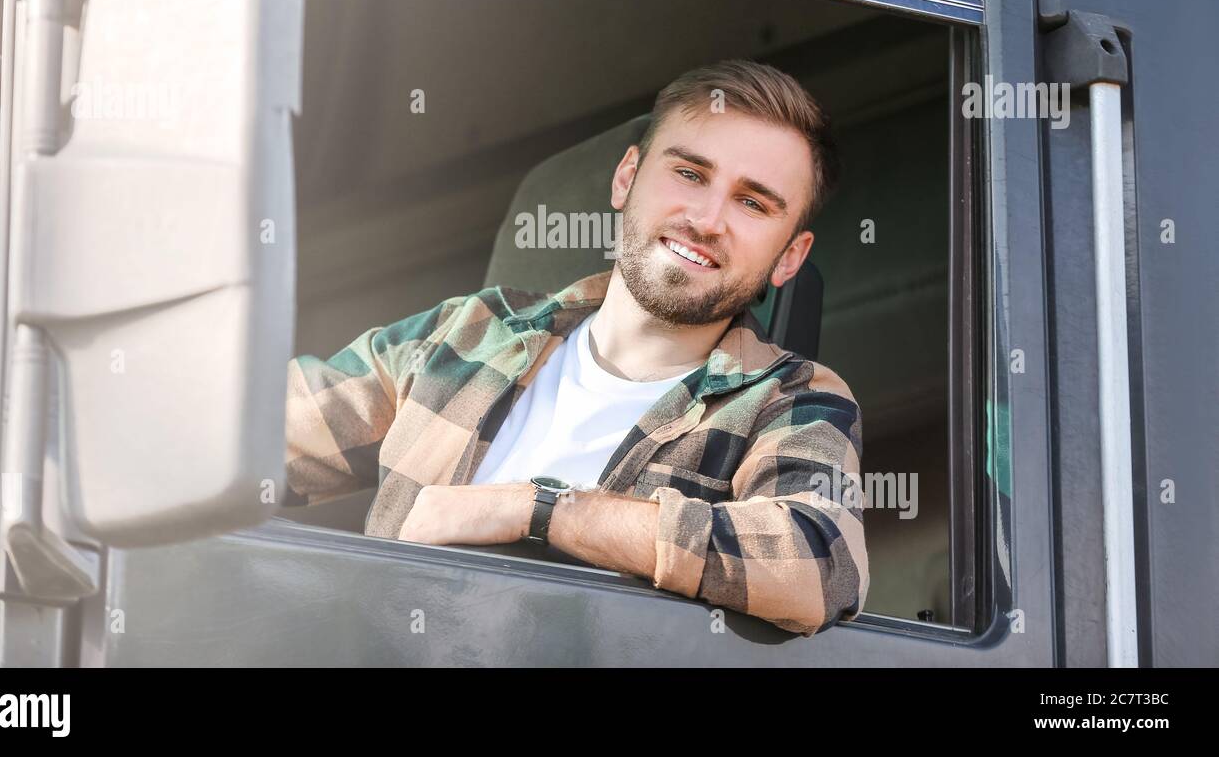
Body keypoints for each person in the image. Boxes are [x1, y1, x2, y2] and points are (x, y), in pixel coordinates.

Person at [283, 59, 868, 636]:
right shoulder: (470, 331)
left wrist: (536, 510)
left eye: (753, 203)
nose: (707, 219)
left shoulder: (792, 401)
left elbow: (819, 564)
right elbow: (242, 438)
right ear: (625, 178)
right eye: (690, 174)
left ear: (790, 256)